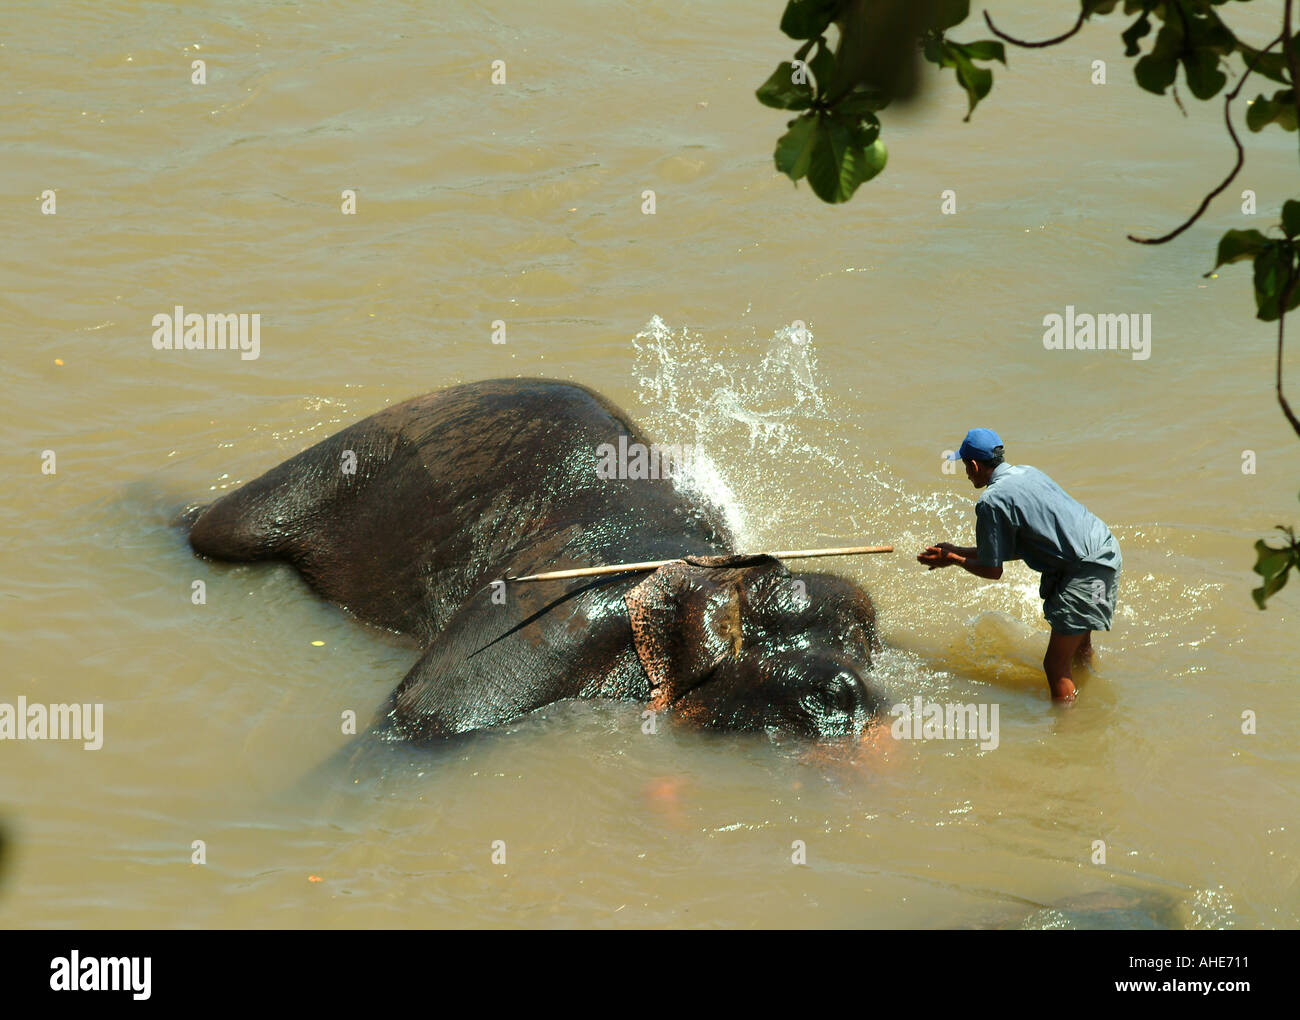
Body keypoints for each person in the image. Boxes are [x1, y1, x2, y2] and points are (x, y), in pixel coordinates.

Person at [918, 428, 1121, 702]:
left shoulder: (990, 502)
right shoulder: (1027, 472)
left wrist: (952, 560)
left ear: (975, 465)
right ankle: (1088, 692)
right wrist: (955, 550)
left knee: (1054, 665)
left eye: (966, 466)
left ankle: (1071, 732)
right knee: (1078, 645)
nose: (966, 473)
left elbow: (993, 570)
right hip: (1105, 555)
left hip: (1083, 571)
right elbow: (1019, 546)